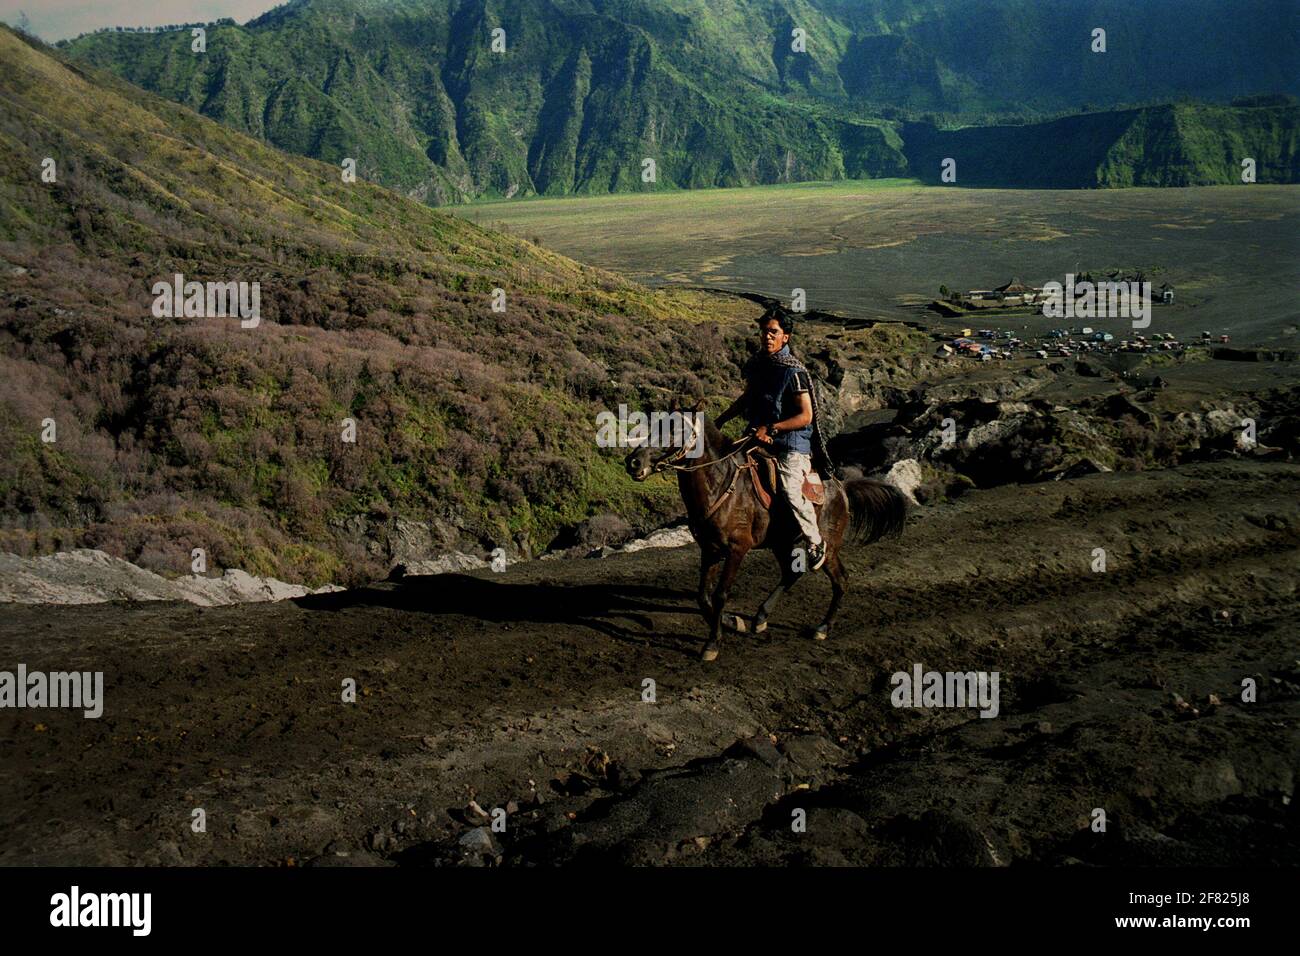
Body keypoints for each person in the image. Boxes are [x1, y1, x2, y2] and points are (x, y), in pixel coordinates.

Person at [716, 307, 827, 571]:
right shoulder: (760, 365)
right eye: (765, 331)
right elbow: (747, 398)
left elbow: (805, 416)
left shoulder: (794, 372)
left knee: (790, 488)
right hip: (759, 434)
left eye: (773, 332)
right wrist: (721, 420)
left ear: (785, 337)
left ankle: (815, 541)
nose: (767, 336)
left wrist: (772, 429)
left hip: (791, 442)